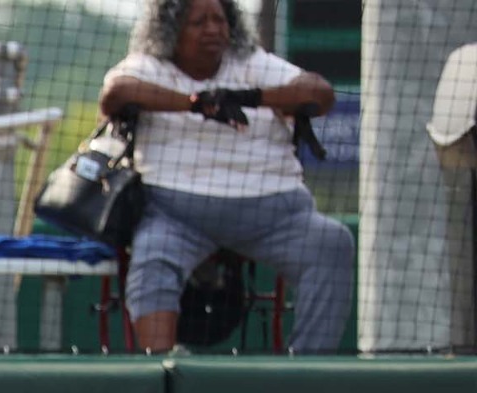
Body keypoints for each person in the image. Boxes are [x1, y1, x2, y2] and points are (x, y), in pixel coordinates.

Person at [99, 0, 353, 353]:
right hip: (176, 216)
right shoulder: (149, 66)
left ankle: (306, 371)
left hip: (275, 216)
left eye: (220, 20)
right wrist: (196, 103)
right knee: (151, 258)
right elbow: (116, 94)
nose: (213, 29)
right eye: (199, 22)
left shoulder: (252, 64)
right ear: (170, 30)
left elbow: (320, 93)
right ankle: (160, 371)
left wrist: (250, 97)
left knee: (332, 243)